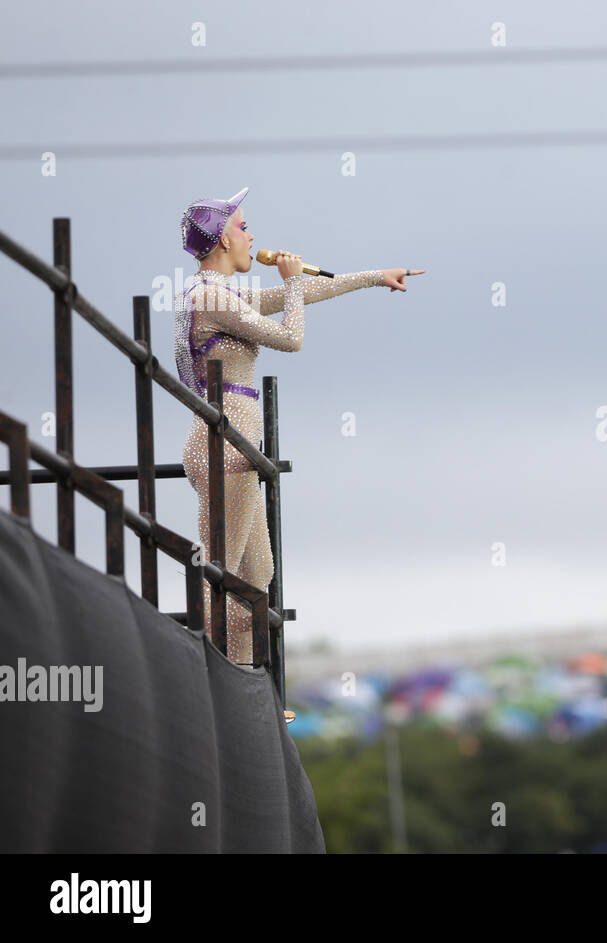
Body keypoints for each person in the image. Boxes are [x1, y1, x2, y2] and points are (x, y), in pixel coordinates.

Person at [174, 186, 424, 722]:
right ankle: (211, 690)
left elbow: (301, 298)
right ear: (222, 237)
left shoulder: (222, 294)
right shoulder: (209, 296)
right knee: (222, 572)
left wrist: (372, 277)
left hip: (235, 443)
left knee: (256, 573)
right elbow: (291, 338)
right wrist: (288, 284)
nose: (253, 236)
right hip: (223, 444)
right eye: (243, 226)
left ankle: (241, 688)